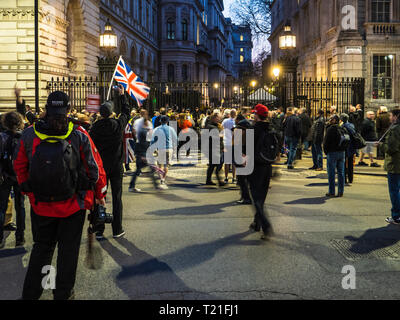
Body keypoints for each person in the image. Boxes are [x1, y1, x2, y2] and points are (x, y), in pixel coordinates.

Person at [14, 91, 107, 300]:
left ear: (47, 109)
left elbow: (18, 165)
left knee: (42, 249)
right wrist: (100, 195)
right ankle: (63, 294)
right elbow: (95, 169)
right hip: (73, 205)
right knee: (68, 252)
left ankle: (31, 294)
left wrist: (30, 191)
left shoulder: (30, 134)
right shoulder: (79, 133)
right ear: (68, 109)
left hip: (41, 205)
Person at [90, 85, 131, 240]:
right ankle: (117, 229)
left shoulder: (95, 128)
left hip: (101, 167)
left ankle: (99, 229)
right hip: (116, 166)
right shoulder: (118, 125)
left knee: (100, 197)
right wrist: (122, 95)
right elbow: (126, 112)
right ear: (112, 113)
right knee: (117, 197)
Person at [247, 104, 273, 240]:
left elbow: (246, 148)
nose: (253, 116)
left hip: (256, 166)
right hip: (268, 166)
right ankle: (257, 223)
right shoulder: (271, 128)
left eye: (254, 114)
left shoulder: (254, 129)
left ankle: (266, 226)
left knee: (256, 197)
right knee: (261, 197)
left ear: (257, 115)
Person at [0, 112, 26, 249]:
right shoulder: (23, 137)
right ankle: (20, 238)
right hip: (19, 176)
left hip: (5, 176)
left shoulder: (2, 137)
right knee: (20, 207)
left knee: (1, 207)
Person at [382, 109, 400, 224]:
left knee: (394, 192)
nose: (389, 118)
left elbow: (391, 148)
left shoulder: (395, 130)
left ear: (396, 116)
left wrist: (381, 145)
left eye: (391, 116)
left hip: (395, 164)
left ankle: (396, 216)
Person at [151, 115, 178, 188]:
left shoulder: (156, 129)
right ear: (167, 121)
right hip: (169, 148)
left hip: (160, 148)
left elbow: (153, 140)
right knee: (166, 165)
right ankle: (164, 178)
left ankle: (161, 179)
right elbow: (176, 139)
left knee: (160, 165)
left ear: (160, 121)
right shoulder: (171, 129)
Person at [323, 115, 346, 197]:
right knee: (341, 173)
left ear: (333, 120)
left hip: (332, 153)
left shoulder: (331, 129)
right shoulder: (342, 128)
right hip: (342, 152)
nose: (329, 120)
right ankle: (340, 191)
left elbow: (326, 142)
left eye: (330, 119)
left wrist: (326, 151)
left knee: (331, 173)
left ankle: (331, 191)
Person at [233, 119, 252, 205]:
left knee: (243, 180)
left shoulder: (246, 140)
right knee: (242, 180)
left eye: (239, 129)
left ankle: (246, 198)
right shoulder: (242, 138)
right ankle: (244, 196)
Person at [205, 113, 224, 186]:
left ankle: (208, 180)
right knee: (217, 164)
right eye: (218, 118)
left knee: (212, 165)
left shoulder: (215, 126)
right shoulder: (211, 127)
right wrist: (219, 136)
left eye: (219, 118)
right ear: (214, 118)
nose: (219, 119)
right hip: (213, 148)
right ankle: (219, 180)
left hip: (215, 148)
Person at [341, 113, 357, 186]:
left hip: (345, 146)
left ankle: (344, 179)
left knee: (344, 163)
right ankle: (351, 178)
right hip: (352, 146)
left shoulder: (343, 126)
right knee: (350, 163)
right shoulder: (352, 125)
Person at [222, 109, 237, 184]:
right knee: (234, 162)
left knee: (227, 162)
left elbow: (222, 129)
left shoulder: (225, 121)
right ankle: (234, 178)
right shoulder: (236, 122)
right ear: (235, 114)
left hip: (226, 143)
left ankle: (226, 177)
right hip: (234, 143)